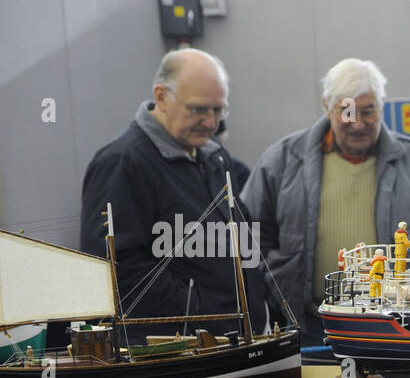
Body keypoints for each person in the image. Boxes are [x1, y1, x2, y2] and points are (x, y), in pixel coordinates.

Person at [241, 58, 410, 344]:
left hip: (398, 328)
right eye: (347, 111)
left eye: (368, 111)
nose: (357, 123)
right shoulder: (281, 162)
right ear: (327, 106)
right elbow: (250, 236)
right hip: (305, 328)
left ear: (381, 107)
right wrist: (277, 287)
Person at [79, 48, 272, 330]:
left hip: (235, 339)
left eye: (218, 110)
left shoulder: (214, 156)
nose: (210, 122)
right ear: (161, 97)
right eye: (198, 109)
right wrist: (200, 310)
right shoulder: (123, 164)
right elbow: (115, 270)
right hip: (183, 350)